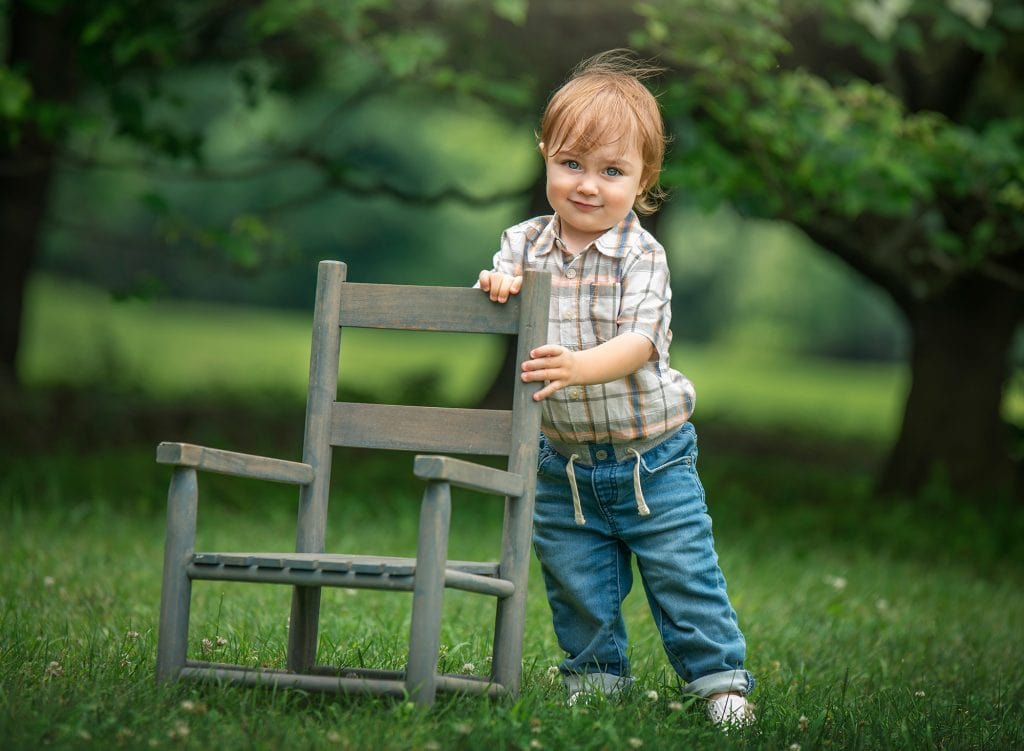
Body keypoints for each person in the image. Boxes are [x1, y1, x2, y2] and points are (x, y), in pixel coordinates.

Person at [477, 49, 755, 727]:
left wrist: (576, 365)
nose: (588, 186)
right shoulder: (524, 241)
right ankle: (596, 677)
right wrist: (499, 284)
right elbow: (499, 277)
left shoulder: (642, 255)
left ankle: (720, 682)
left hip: (652, 458)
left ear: (643, 178)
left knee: (683, 571)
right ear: (545, 153)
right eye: (571, 164)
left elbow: (639, 343)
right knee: (577, 581)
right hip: (564, 464)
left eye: (612, 171)